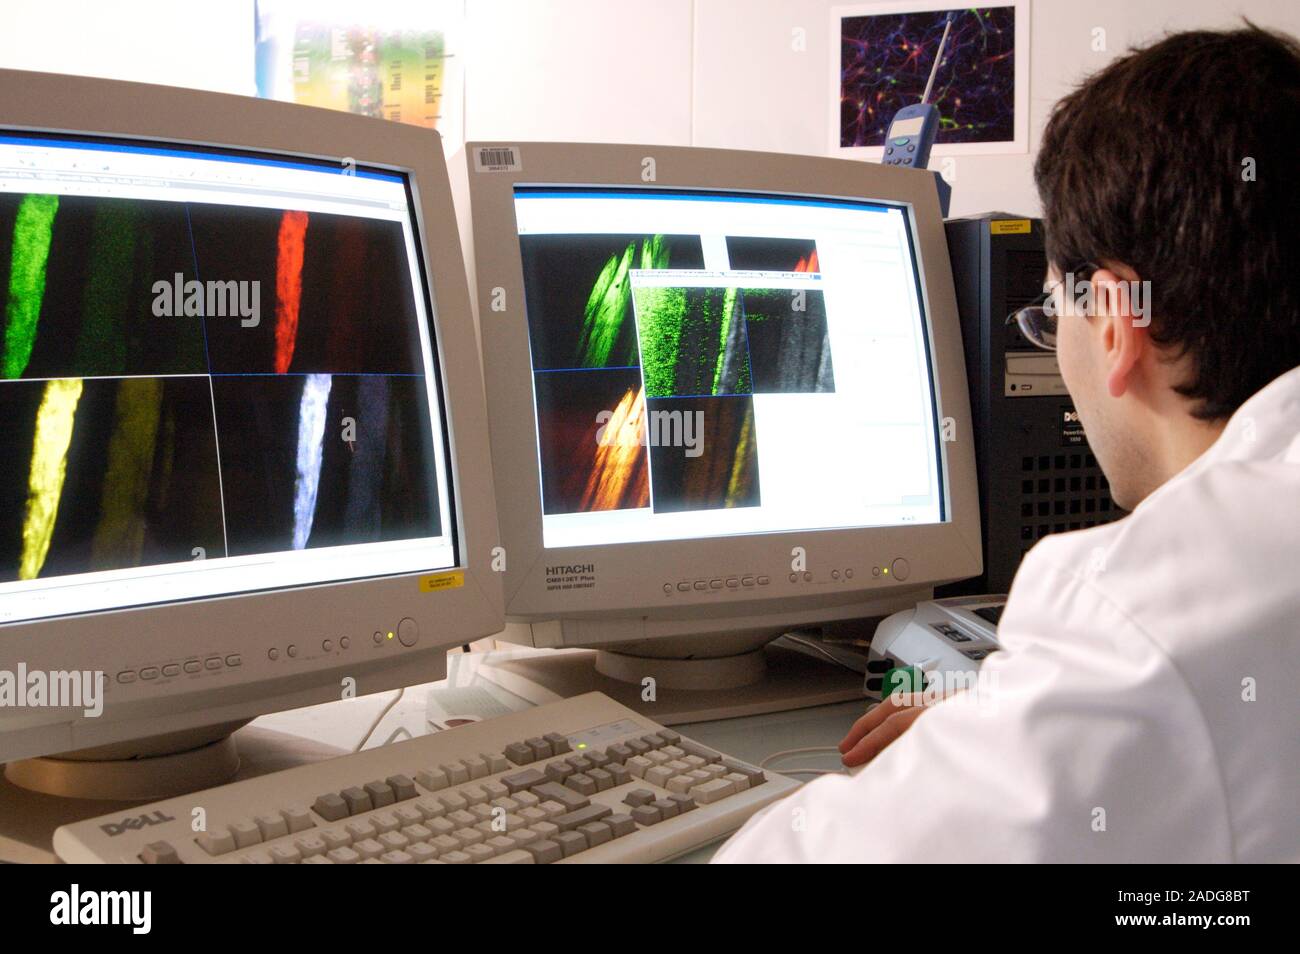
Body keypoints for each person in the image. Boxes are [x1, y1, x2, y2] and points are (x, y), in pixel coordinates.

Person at [713, 24, 1300, 863]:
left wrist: (990, 744)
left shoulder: (1141, 609)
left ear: (1118, 323)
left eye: (1052, 313)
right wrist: (1015, 720)